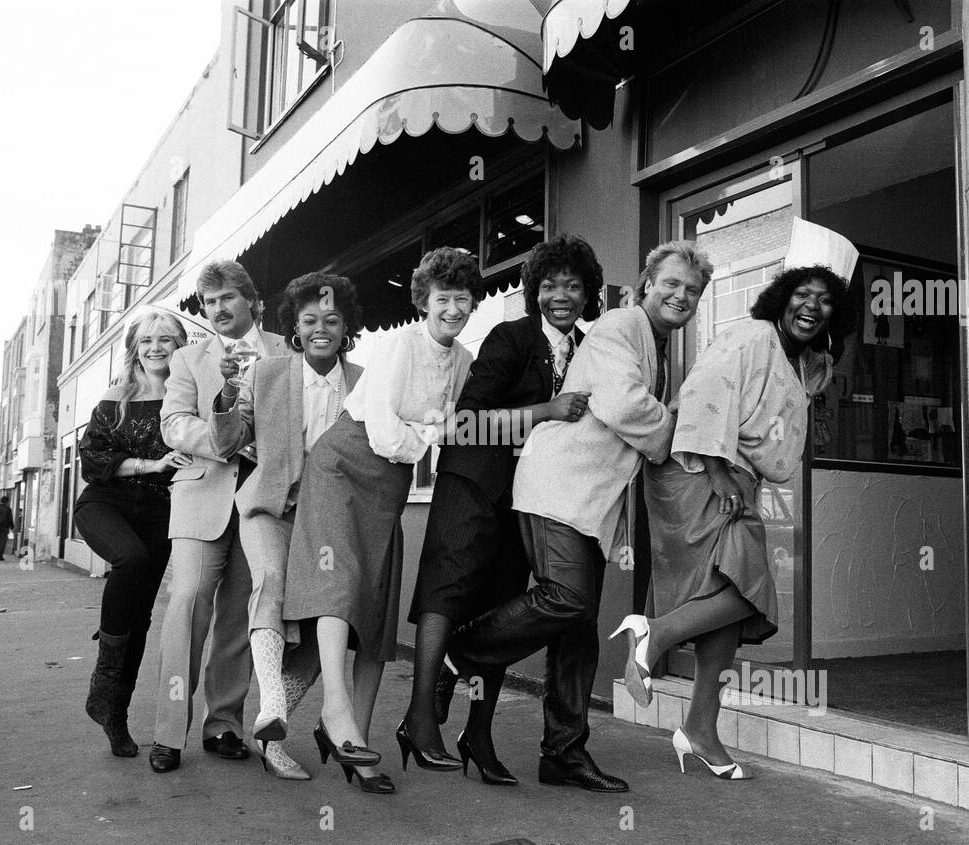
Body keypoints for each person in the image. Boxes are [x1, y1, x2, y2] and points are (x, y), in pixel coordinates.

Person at [448, 239, 711, 793]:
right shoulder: (621, 326)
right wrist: (676, 434)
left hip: (591, 503)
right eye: (670, 283)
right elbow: (624, 408)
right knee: (564, 600)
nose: (679, 295)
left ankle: (563, 754)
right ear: (646, 285)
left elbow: (636, 412)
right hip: (558, 487)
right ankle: (466, 647)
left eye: (691, 289)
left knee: (578, 631)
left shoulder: (651, 344)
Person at [611, 263, 855, 780]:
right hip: (699, 467)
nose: (810, 306)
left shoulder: (805, 361)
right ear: (780, 299)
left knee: (726, 601)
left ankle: (700, 727)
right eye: (801, 294)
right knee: (750, 589)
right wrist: (719, 470)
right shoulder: (751, 334)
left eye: (825, 300)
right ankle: (654, 634)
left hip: (733, 475)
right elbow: (704, 392)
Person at [402, 234, 601, 784]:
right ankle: (420, 717)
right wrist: (546, 410)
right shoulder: (510, 336)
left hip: (531, 498)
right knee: (448, 588)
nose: (562, 295)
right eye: (551, 284)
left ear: (588, 293)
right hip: (473, 481)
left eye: (574, 285)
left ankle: (479, 735)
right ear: (535, 289)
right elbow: (466, 421)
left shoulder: (591, 349)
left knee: (499, 609)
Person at [283, 247, 478, 794]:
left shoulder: (463, 361)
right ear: (425, 300)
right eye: (443, 298)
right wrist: (428, 438)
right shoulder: (398, 346)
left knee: (374, 607)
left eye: (463, 299)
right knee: (339, 586)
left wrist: (434, 436)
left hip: (388, 487)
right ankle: (335, 713)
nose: (453, 308)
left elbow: (455, 425)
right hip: (343, 464)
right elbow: (390, 433)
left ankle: (358, 748)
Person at [209, 272, 365, 780]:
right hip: (270, 510)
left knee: (326, 625)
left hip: (330, 520)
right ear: (294, 328)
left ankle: (273, 741)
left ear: (346, 327)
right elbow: (229, 443)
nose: (322, 328)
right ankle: (270, 703)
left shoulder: (364, 383)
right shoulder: (268, 373)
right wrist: (226, 398)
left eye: (333, 319)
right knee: (270, 584)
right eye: (309, 320)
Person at [148, 260, 288, 774]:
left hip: (262, 501)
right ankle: (167, 731)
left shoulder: (285, 353)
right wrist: (221, 443)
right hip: (200, 496)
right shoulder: (188, 359)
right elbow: (173, 423)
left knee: (240, 617)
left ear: (252, 301)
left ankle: (223, 722)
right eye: (209, 302)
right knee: (187, 603)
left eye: (228, 297)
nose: (218, 309)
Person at [72, 308, 191, 756]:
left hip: (161, 511)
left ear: (180, 346)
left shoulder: (189, 396)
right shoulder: (117, 394)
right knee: (131, 559)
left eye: (165, 339)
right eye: (146, 340)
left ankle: (113, 715)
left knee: (139, 618)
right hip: (107, 501)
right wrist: (152, 464)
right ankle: (104, 677)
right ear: (135, 349)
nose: (156, 348)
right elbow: (92, 458)